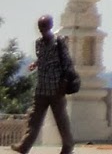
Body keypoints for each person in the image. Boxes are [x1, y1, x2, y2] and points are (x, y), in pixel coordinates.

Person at [12, 16, 73, 154]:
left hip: (56, 88)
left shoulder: (59, 42)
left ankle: (68, 146)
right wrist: (35, 64)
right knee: (34, 119)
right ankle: (24, 146)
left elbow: (66, 63)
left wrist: (64, 83)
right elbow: (43, 58)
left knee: (61, 119)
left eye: (44, 27)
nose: (42, 30)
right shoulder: (38, 43)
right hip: (41, 87)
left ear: (50, 26)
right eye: (40, 27)